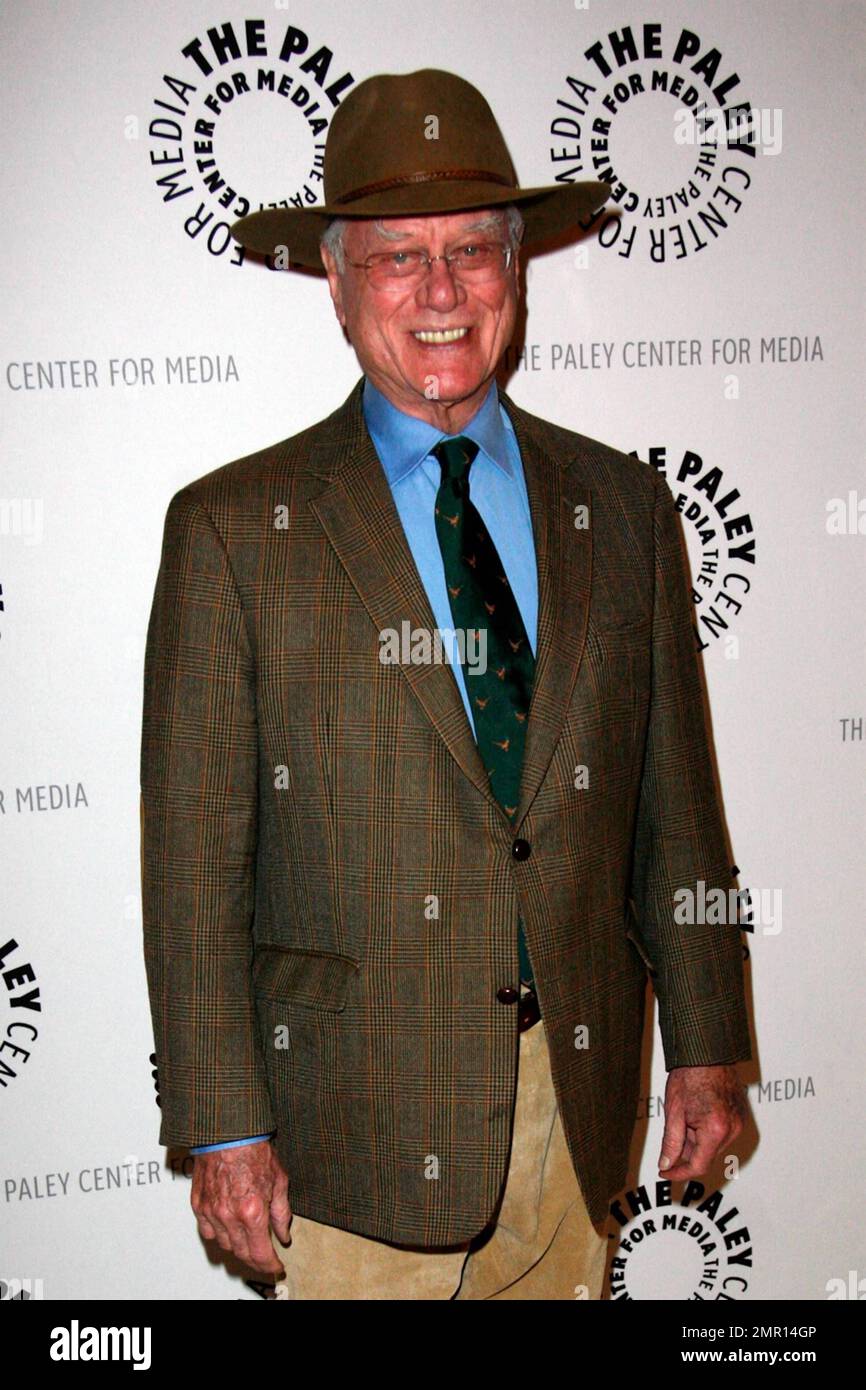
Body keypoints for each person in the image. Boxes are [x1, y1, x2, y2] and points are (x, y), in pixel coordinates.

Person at [140, 68, 752, 1301]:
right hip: (346, 1144)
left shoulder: (623, 512)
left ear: (514, 269)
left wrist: (706, 1048)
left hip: (572, 1122)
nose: (439, 292)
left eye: (471, 250)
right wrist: (220, 1126)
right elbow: (194, 863)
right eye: (397, 258)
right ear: (336, 279)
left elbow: (677, 815)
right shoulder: (233, 532)